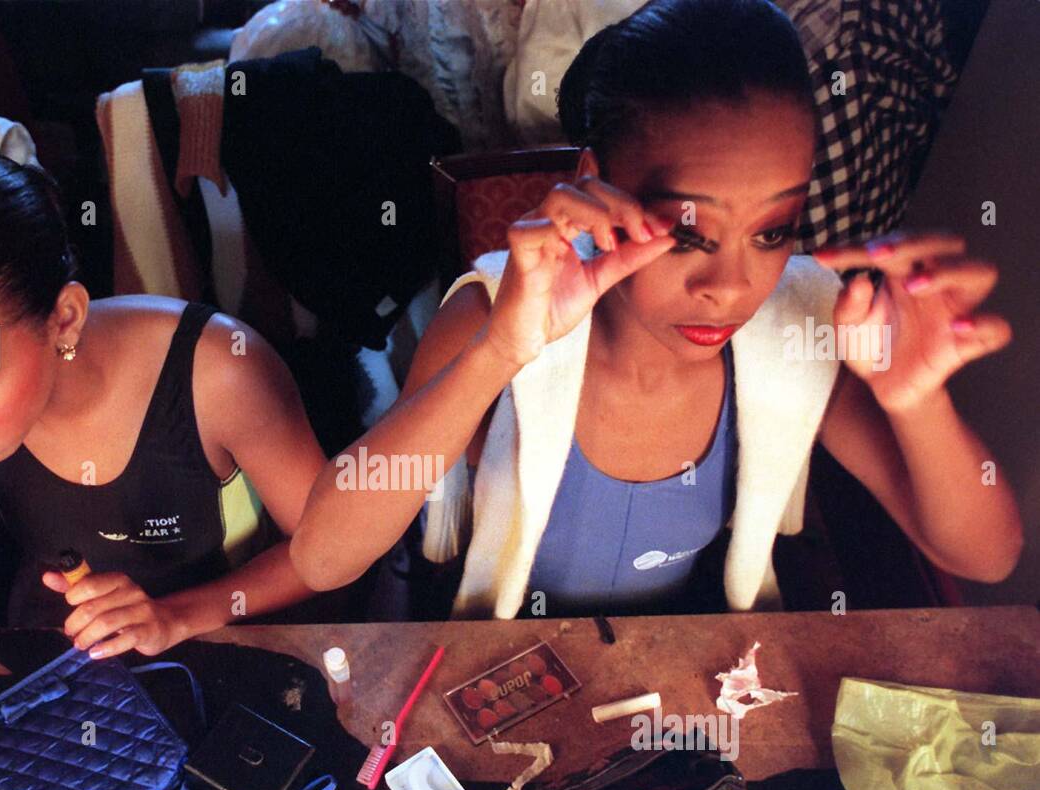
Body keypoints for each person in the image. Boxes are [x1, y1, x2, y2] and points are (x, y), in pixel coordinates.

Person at [290, 0, 1021, 619]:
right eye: (688, 233)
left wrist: (918, 403)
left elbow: (985, 557)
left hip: (687, 694)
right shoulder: (497, 315)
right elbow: (324, 559)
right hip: (503, 669)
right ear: (595, 187)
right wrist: (499, 355)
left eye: (773, 231)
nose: (731, 286)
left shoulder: (799, 330)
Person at [0, 148, 325, 657]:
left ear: (65, 317)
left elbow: (333, 553)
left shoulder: (219, 371)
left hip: (230, 649)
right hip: (61, 654)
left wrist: (177, 614)